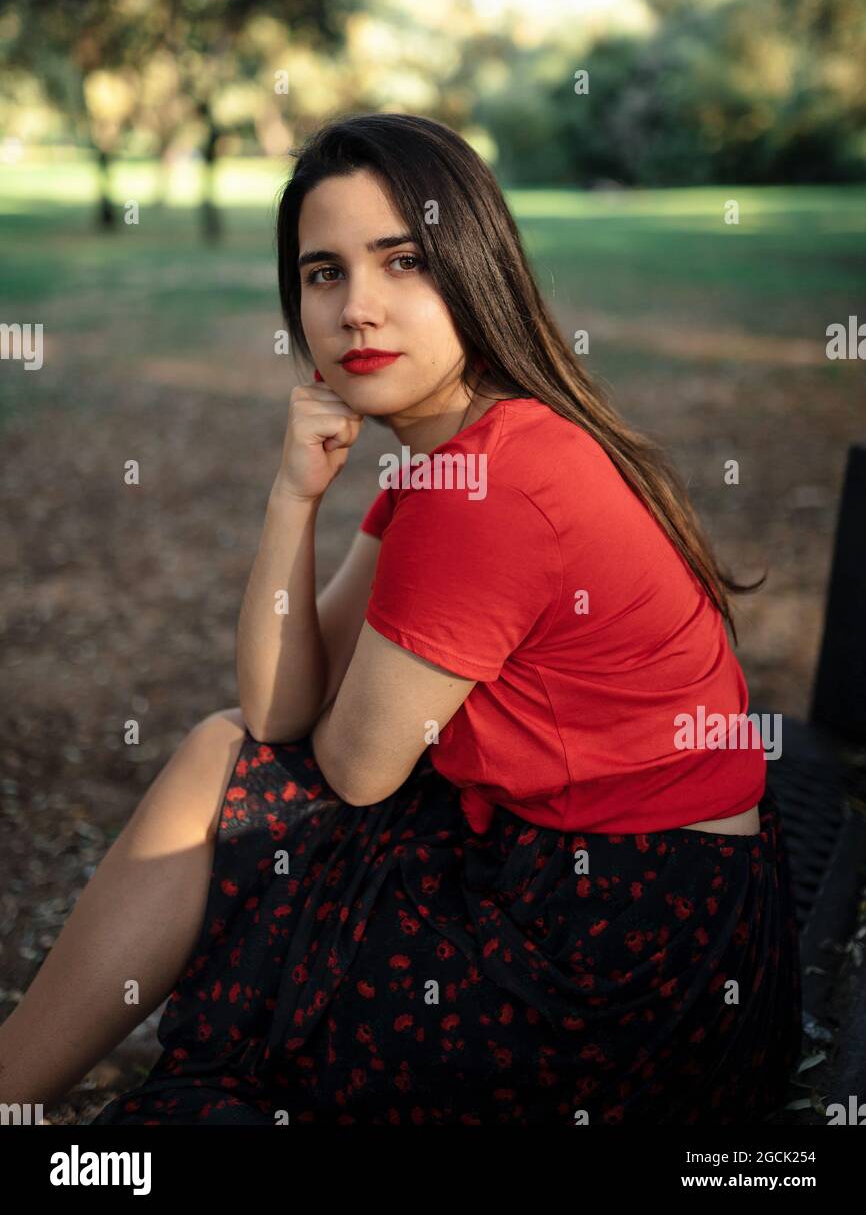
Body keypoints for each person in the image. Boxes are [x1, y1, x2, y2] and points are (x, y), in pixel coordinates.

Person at [0, 112, 802, 1125]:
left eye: (402, 261)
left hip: (621, 958)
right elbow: (275, 706)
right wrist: (293, 495)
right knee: (223, 760)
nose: (356, 310)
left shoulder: (489, 482)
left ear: (475, 268)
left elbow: (352, 766)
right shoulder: (459, 450)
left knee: (235, 804)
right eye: (323, 272)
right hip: (643, 895)